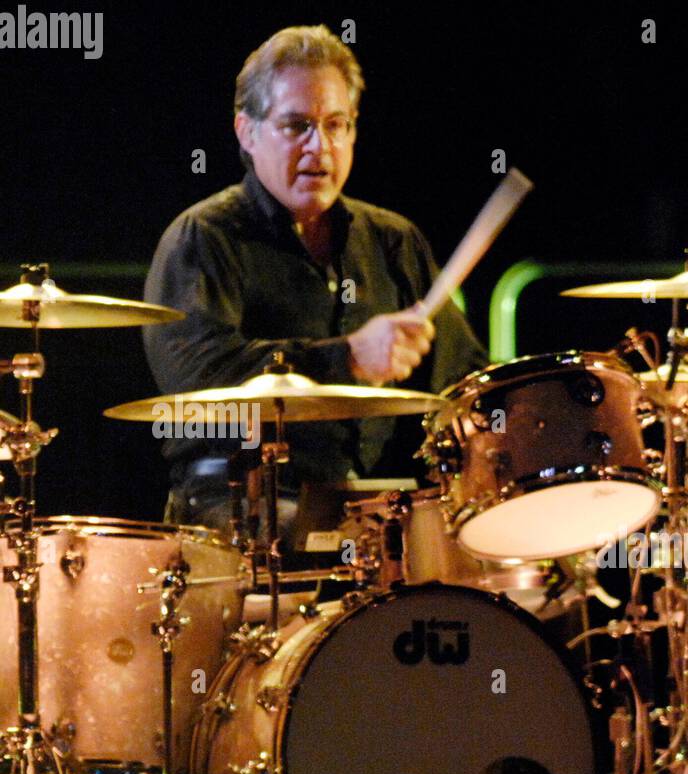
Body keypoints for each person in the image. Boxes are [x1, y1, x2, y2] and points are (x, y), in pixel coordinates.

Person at [143, 24, 487, 535]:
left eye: (335, 124)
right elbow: (196, 388)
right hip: (236, 503)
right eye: (297, 125)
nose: (319, 146)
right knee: (325, 537)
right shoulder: (204, 237)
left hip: (373, 499)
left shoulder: (393, 239)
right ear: (247, 131)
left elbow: (468, 380)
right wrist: (345, 358)